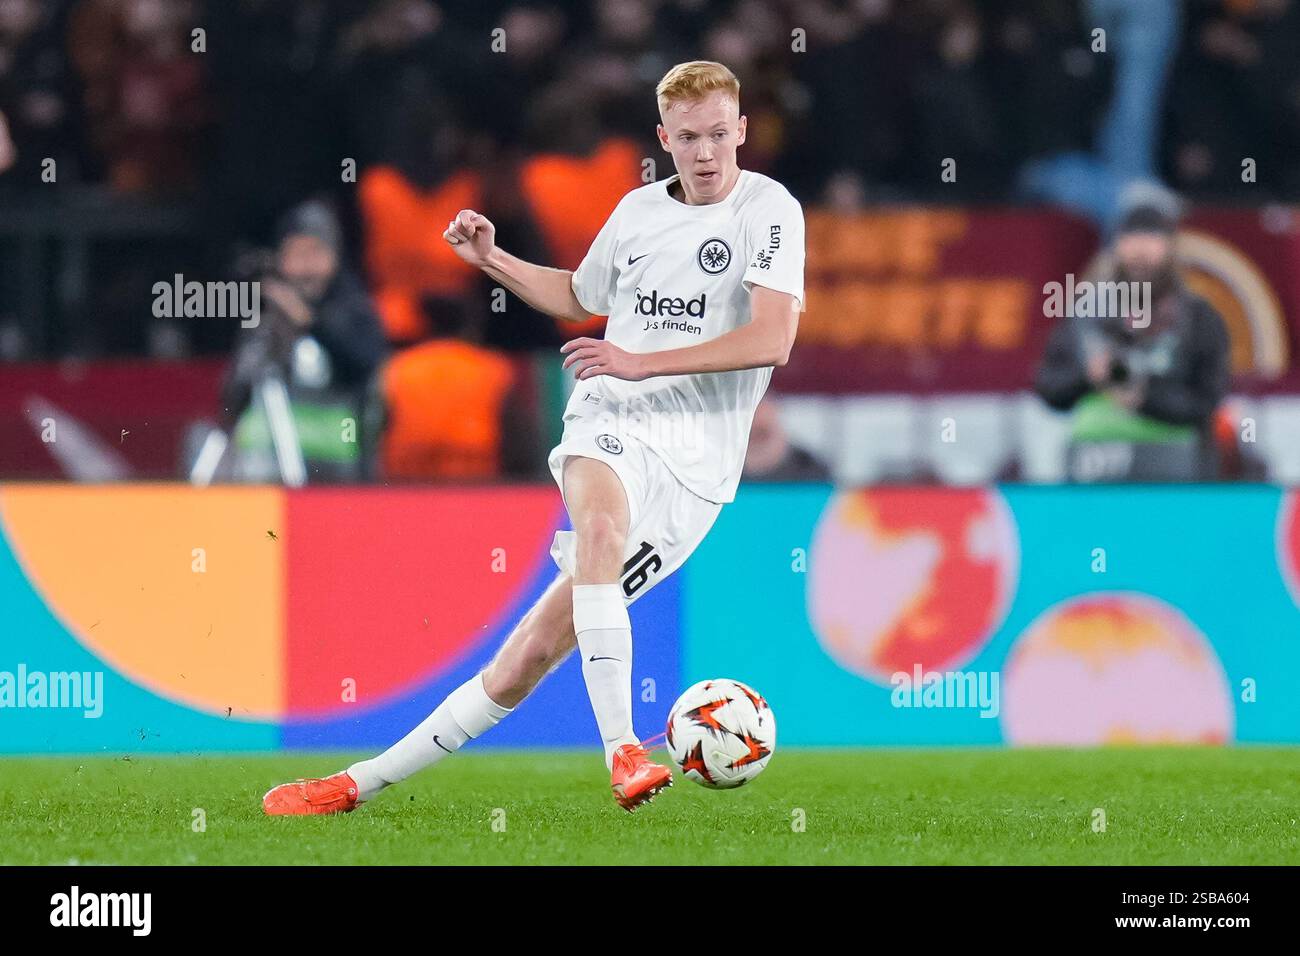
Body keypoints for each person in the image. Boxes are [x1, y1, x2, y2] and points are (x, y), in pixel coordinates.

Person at [263, 60, 805, 814]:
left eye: (719, 135)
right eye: (689, 138)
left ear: (741, 130)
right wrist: (491, 260)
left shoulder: (768, 211)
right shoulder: (640, 212)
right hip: (612, 414)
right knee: (601, 529)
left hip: (697, 472)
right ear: (663, 139)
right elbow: (579, 294)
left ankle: (361, 781)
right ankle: (623, 750)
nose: (707, 153)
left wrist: (642, 359)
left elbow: (773, 338)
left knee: (526, 658)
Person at [1034, 190, 1230, 481]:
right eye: (1131, 238)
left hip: (1175, 466)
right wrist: (1089, 375)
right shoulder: (1088, 315)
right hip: (1093, 466)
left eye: (1151, 239)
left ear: (1171, 247)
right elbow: (1049, 388)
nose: (1140, 250)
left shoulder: (1198, 319)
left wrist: (1143, 397)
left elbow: (1207, 401)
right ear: (1115, 247)